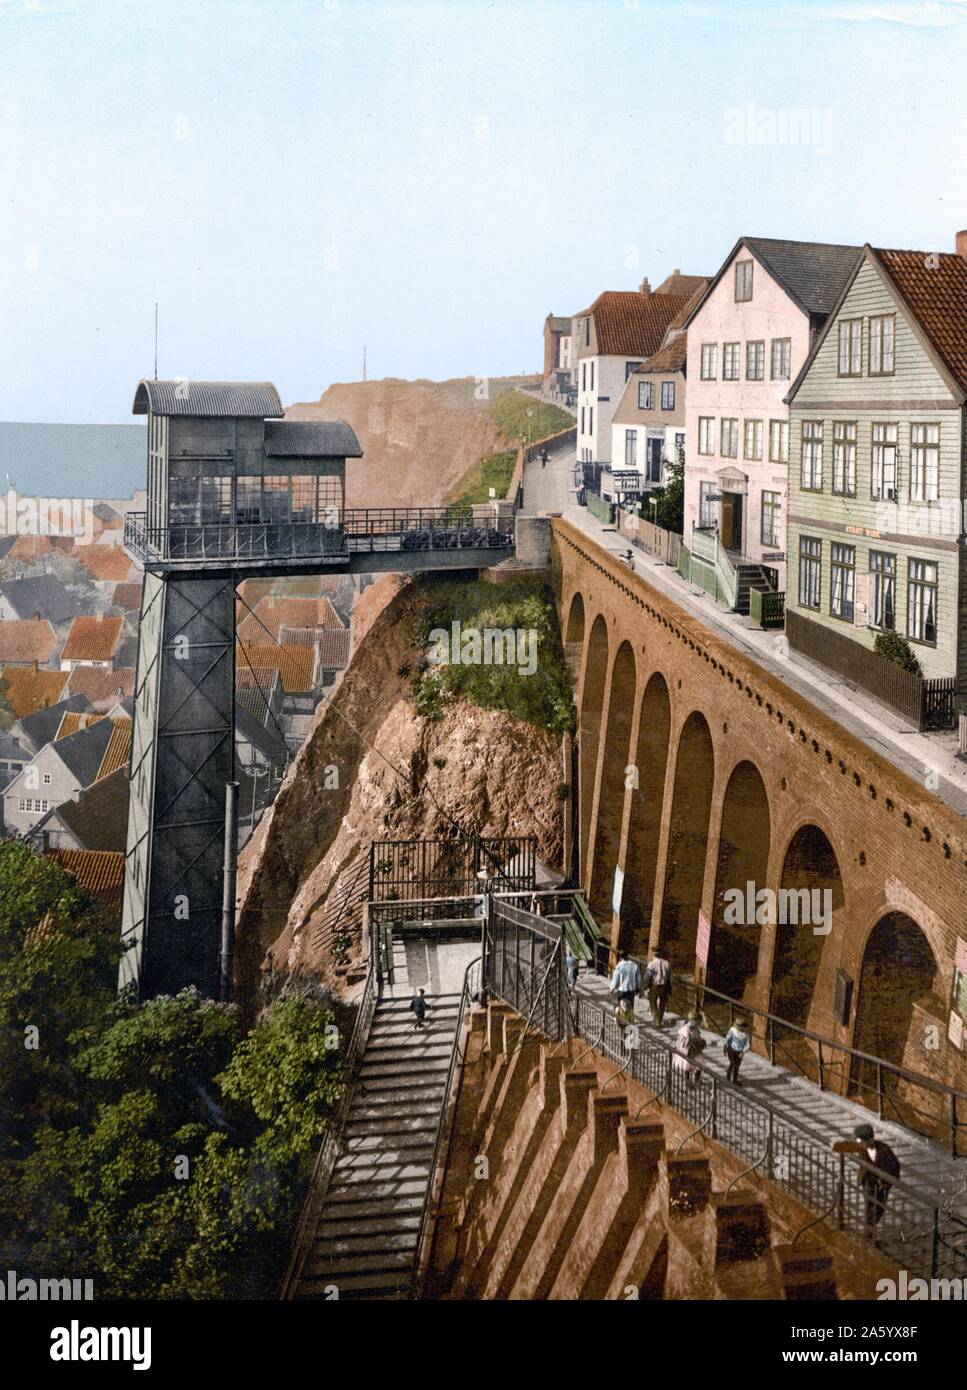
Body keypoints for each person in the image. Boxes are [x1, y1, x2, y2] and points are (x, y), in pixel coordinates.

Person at [833, 1123, 901, 1232]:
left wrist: (887, 1184)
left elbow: (895, 1167)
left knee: (879, 1208)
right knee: (869, 1205)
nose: (859, 1144)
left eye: (861, 1141)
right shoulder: (861, 1146)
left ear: (869, 1140)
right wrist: (835, 1146)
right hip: (867, 1181)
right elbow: (849, 1145)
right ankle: (868, 1232)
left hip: (881, 1184)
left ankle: (869, 1229)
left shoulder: (884, 1150)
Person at [673, 1012, 706, 1089]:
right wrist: (690, 1042)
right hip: (687, 1050)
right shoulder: (685, 1029)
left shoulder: (695, 1027)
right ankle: (687, 1081)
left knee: (700, 1063)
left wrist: (700, 1041)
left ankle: (697, 1079)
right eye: (696, 1021)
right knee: (687, 1066)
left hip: (695, 1050)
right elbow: (682, 1041)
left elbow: (698, 1035)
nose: (698, 1023)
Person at [610, 950, 640, 1026]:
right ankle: (631, 1019)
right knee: (631, 1005)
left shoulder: (619, 966)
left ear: (620, 957)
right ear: (627, 956)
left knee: (616, 1002)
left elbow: (616, 979)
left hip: (622, 989)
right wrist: (637, 987)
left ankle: (617, 1017)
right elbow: (638, 978)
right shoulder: (634, 965)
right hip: (631, 989)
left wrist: (612, 988)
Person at [645, 948, 674, 1027]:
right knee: (662, 1004)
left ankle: (656, 1018)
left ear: (654, 954)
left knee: (652, 1002)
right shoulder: (667, 963)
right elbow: (671, 977)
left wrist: (645, 986)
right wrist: (671, 987)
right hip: (664, 987)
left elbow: (647, 977)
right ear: (661, 954)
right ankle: (660, 1019)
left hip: (654, 986)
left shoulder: (651, 964)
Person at [723, 1016, 751, 1085]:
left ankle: (734, 1079)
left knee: (737, 1065)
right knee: (733, 1063)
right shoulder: (732, 1030)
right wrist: (726, 1045)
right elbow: (728, 1038)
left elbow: (748, 1045)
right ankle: (728, 1074)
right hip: (731, 1049)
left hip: (739, 1052)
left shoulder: (746, 1035)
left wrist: (743, 1052)